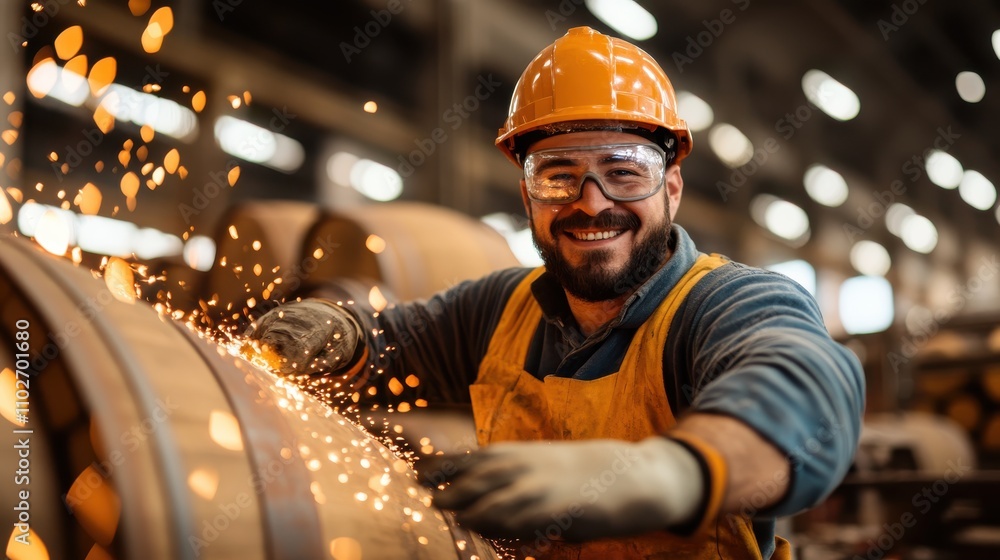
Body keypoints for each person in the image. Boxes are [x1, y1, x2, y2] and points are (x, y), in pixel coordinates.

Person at [247, 26, 865, 560]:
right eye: (558, 175)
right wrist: (340, 329)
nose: (591, 203)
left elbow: (806, 386)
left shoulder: (722, 306)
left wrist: (672, 473)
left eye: (624, 171)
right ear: (526, 196)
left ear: (671, 187)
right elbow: (393, 341)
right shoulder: (501, 312)